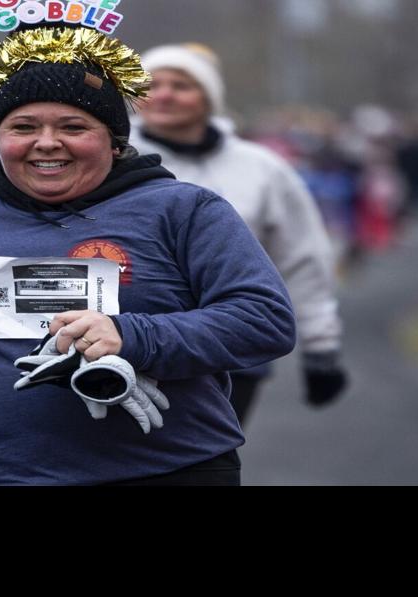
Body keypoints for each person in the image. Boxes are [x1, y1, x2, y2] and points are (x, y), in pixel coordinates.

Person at [0, 7, 294, 486]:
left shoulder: (184, 210)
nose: (47, 143)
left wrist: (132, 336)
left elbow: (263, 319)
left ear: (115, 141)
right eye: (23, 128)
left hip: (162, 469)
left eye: (73, 127)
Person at [131, 43, 347, 427]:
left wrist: (320, 346)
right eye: (152, 84)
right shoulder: (108, 160)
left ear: (209, 96)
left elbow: (302, 257)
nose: (163, 94)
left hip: (230, 354)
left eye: (181, 85)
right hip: (130, 347)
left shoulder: (261, 169)